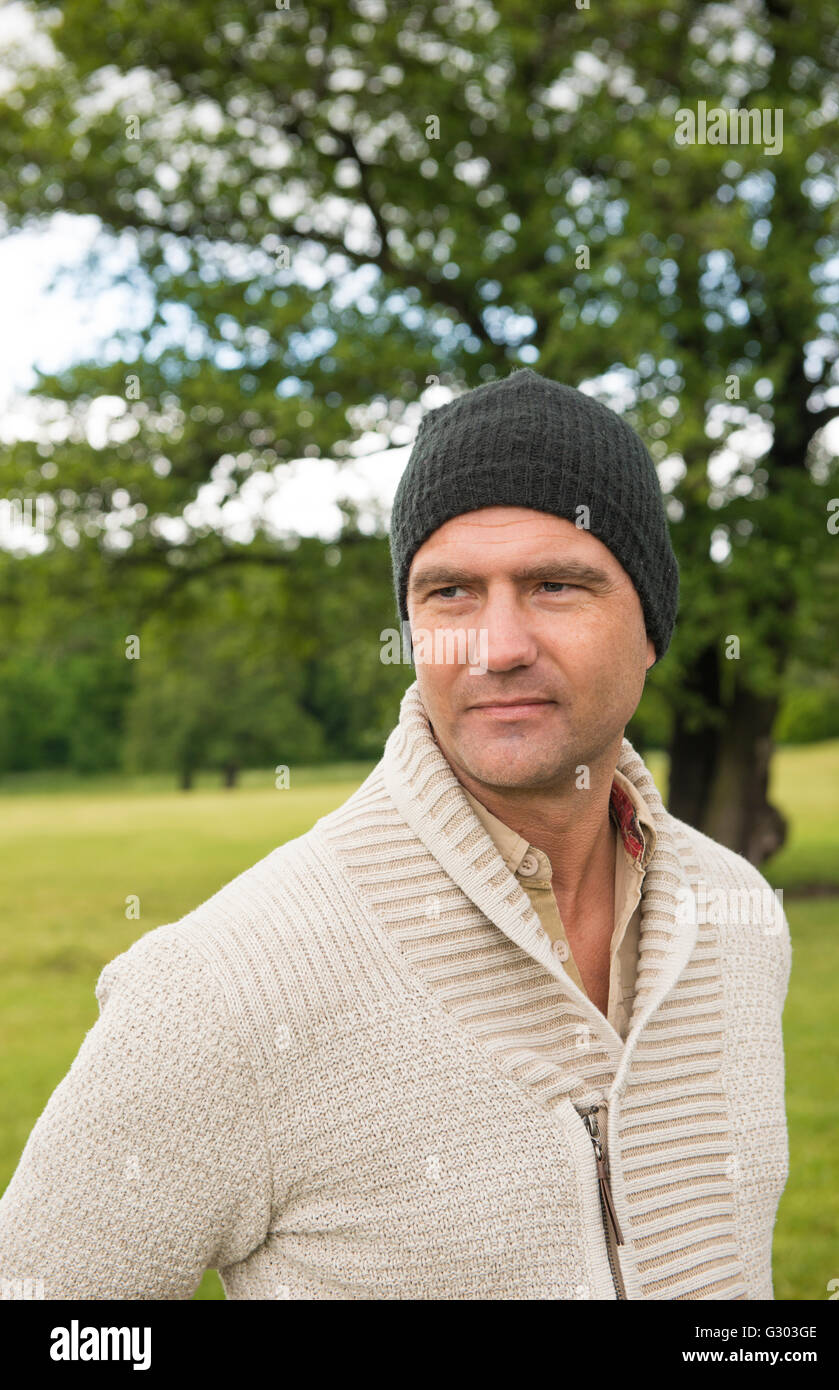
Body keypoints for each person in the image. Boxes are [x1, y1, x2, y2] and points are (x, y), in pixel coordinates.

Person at [0, 367, 790, 1300]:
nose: (496, 646)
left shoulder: (737, 912)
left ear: (651, 625)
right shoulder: (217, 988)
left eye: (554, 584)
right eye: (450, 592)